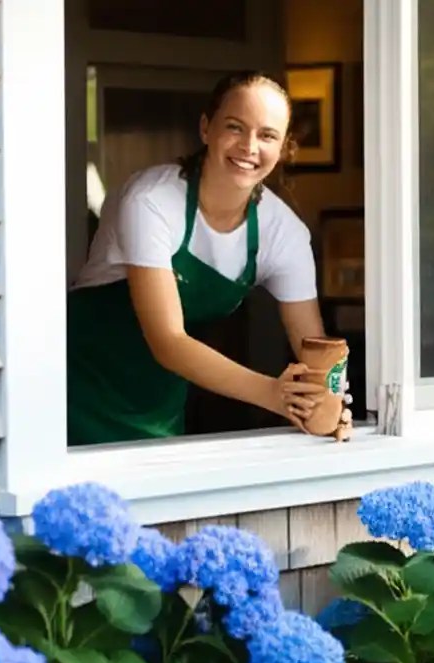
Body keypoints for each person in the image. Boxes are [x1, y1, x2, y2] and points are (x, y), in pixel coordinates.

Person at [66, 70, 349, 446]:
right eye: (235, 127)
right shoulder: (151, 201)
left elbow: (315, 351)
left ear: (282, 149)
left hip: (160, 399)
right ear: (206, 128)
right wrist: (273, 394)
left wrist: (327, 408)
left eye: (267, 135)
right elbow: (168, 340)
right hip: (77, 390)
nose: (249, 146)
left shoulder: (283, 233)